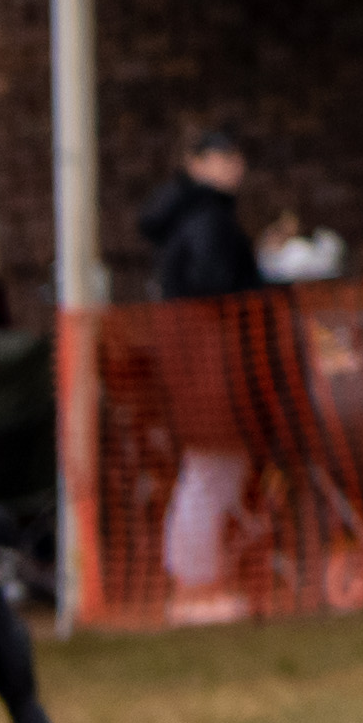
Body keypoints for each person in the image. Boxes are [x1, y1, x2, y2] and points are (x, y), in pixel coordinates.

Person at [137, 119, 271, 605]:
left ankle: (200, 577)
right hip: (209, 364)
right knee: (210, 467)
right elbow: (218, 287)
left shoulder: (192, 217)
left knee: (216, 468)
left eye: (235, 156)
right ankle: (195, 585)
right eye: (221, 156)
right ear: (195, 164)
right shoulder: (207, 219)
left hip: (199, 362)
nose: (233, 166)